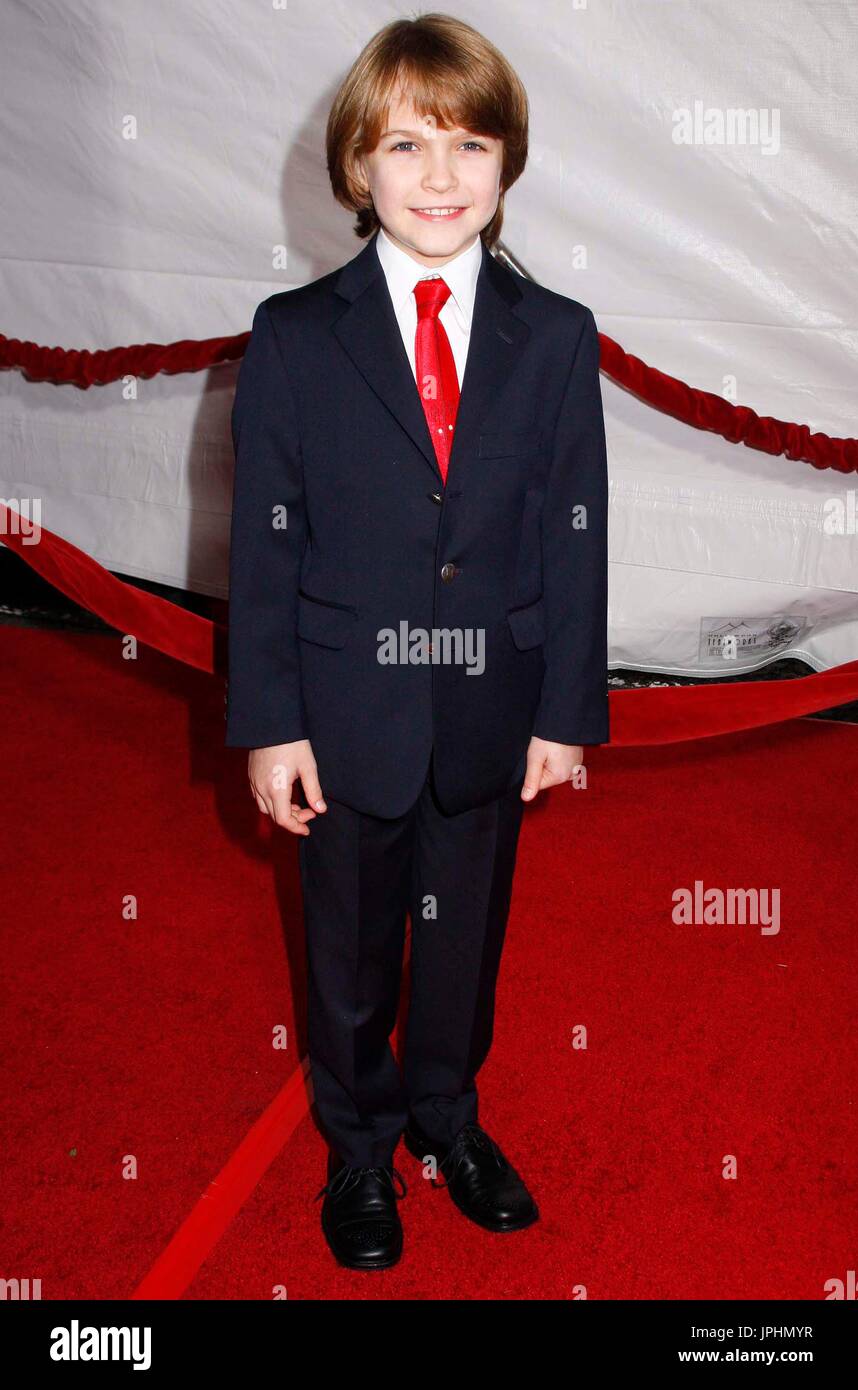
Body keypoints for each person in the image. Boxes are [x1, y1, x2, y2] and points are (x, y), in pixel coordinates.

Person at [225, 12, 609, 1271]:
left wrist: (564, 712)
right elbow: (266, 549)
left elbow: (572, 536)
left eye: (469, 144)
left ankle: (448, 1116)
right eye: (405, 145)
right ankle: (357, 1142)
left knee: (464, 936)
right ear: (354, 167)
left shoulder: (552, 338)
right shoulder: (292, 337)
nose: (439, 177)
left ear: (507, 165)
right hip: (343, 712)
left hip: (491, 708)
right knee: (345, 946)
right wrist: (270, 720)